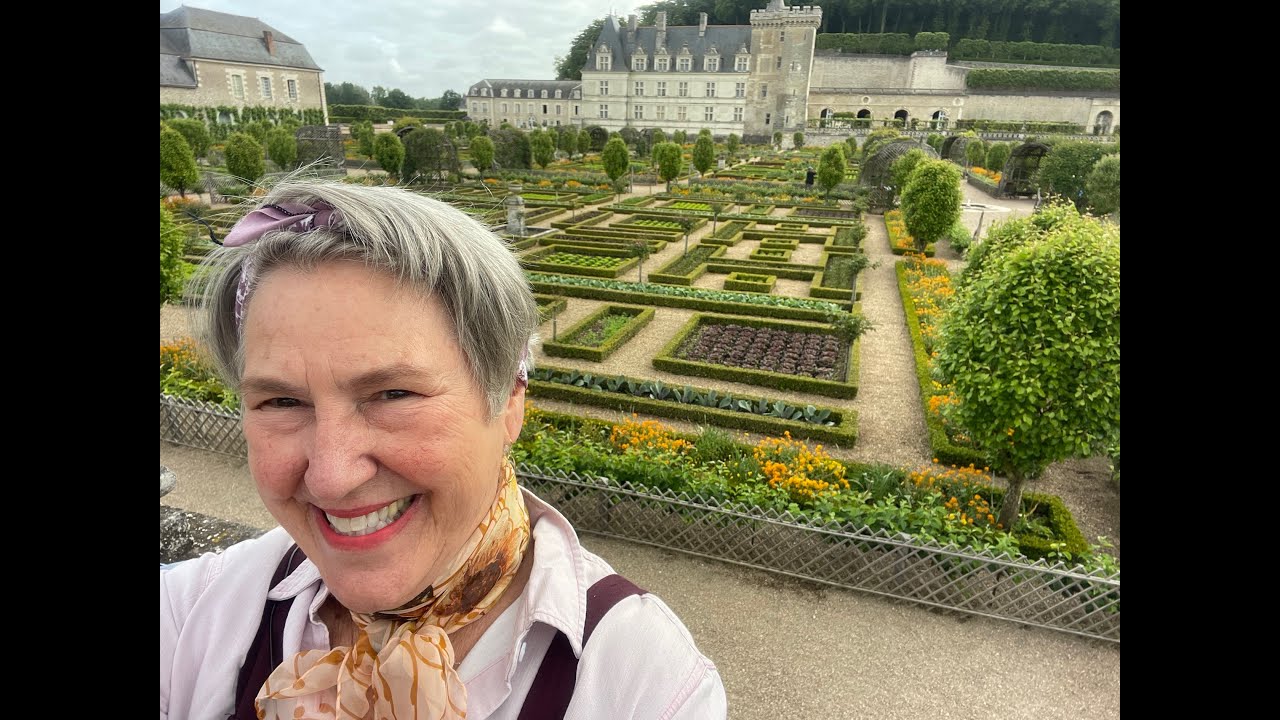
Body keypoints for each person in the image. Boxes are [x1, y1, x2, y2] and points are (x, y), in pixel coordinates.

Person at [160, 177, 727, 719]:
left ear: (508, 400)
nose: (331, 476)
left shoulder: (645, 687)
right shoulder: (193, 614)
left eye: (393, 393)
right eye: (281, 403)